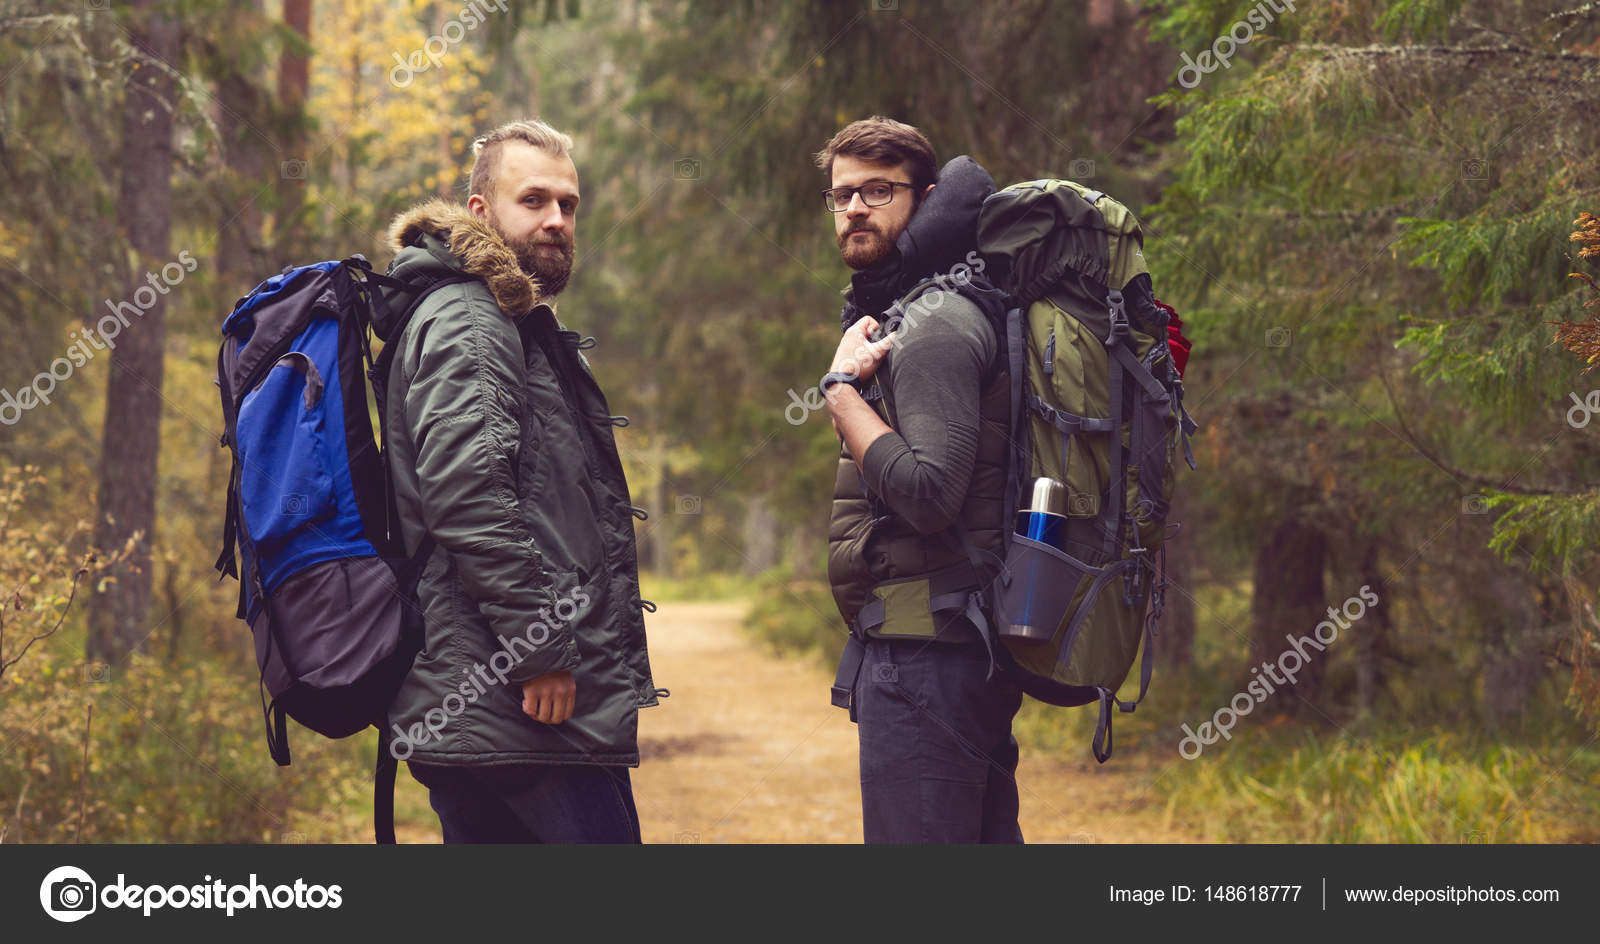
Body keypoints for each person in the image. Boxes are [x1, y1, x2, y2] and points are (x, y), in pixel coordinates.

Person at [381, 119, 660, 843]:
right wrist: (537, 649)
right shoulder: (472, 322)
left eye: (568, 205)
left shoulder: (497, 319)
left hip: (491, 702)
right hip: (520, 705)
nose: (557, 220)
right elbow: (466, 497)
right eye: (533, 200)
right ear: (480, 212)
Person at [816, 116, 1024, 844]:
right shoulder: (916, 307)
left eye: (878, 190)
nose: (855, 210)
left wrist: (841, 394)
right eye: (842, 195)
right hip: (944, 642)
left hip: (927, 649)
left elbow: (932, 495)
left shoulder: (932, 321)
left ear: (927, 198)